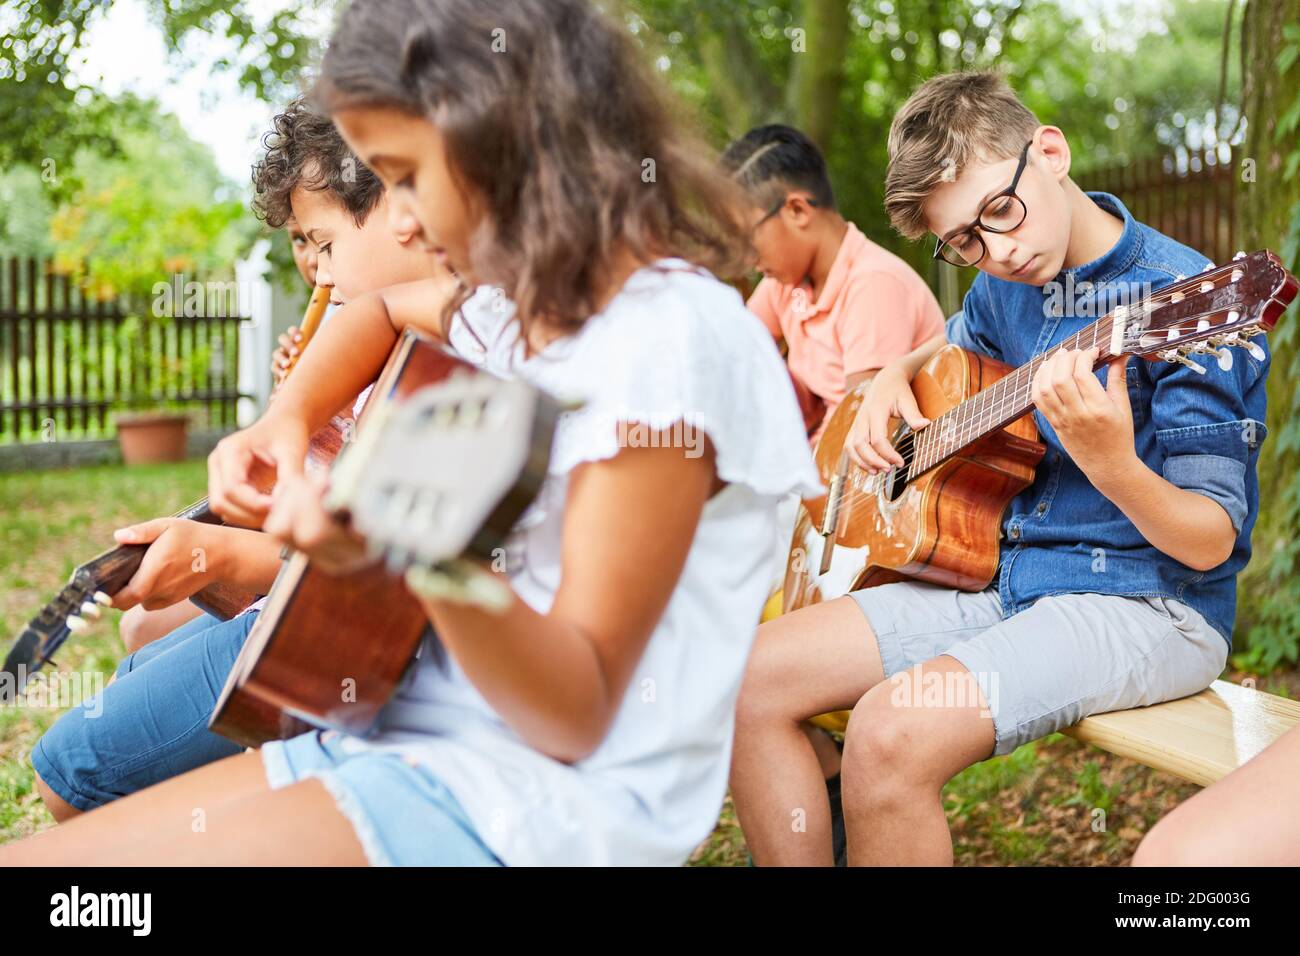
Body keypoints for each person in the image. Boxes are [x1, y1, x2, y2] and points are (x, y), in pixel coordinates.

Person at [1, 0, 819, 866]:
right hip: (395, 741)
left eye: (404, 176)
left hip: (525, 806)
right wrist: (286, 419)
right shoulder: (522, 307)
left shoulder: (668, 346)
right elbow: (385, 308)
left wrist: (413, 554)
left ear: (501, 138)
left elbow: (577, 710)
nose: (397, 224)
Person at [729, 70, 1265, 866]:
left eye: (1000, 213)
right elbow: (950, 345)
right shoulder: (999, 291)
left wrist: (1113, 464)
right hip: (1004, 580)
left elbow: (1209, 543)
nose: (999, 252)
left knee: (889, 732)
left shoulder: (1183, 298)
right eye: (966, 243)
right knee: (749, 676)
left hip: (1151, 604)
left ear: (1049, 151)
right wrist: (887, 378)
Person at [28, 98, 438, 823]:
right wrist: (296, 415)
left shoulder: (443, 360)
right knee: (134, 664)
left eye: (325, 241)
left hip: (354, 650)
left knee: (69, 773)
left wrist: (217, 555)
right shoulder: (387, 329)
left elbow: (372, 596)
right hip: (333, 621)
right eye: (303, 244)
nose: (318, 272)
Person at [723, 124, 943, 442]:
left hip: (862, 474)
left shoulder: (873, 285)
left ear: (797, 210)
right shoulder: (784, 284)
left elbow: (857, 437)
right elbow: (728, 354)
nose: (744, 260)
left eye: (745, 238)